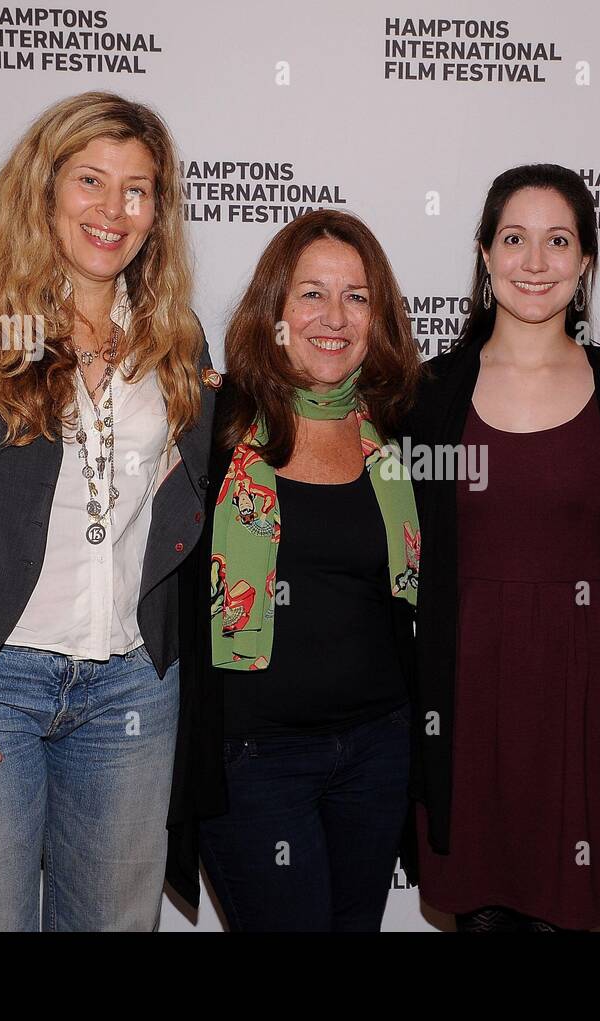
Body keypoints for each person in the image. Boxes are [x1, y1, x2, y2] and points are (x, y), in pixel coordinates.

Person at [0, 91, 214, 931]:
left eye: (138, 189)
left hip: (131, 684)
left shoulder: (175, 336)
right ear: (43, 188)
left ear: (157, 211)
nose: (113, 209)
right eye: (91, 180)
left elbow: (187, 493)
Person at [406, 164, 600, 931]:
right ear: (484, 254)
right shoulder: (425, 393)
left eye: (559, 241)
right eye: (514, 239)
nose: (535, 261)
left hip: (590, 693)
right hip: (466, 693)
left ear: (586, 260)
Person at [164, 209, 423, 931]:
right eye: (311, 293)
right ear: (274, 307)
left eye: (357, 296)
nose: (333, 316)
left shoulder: (399, 430)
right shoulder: (210, 424)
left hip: (379, 751)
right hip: (254, 763)